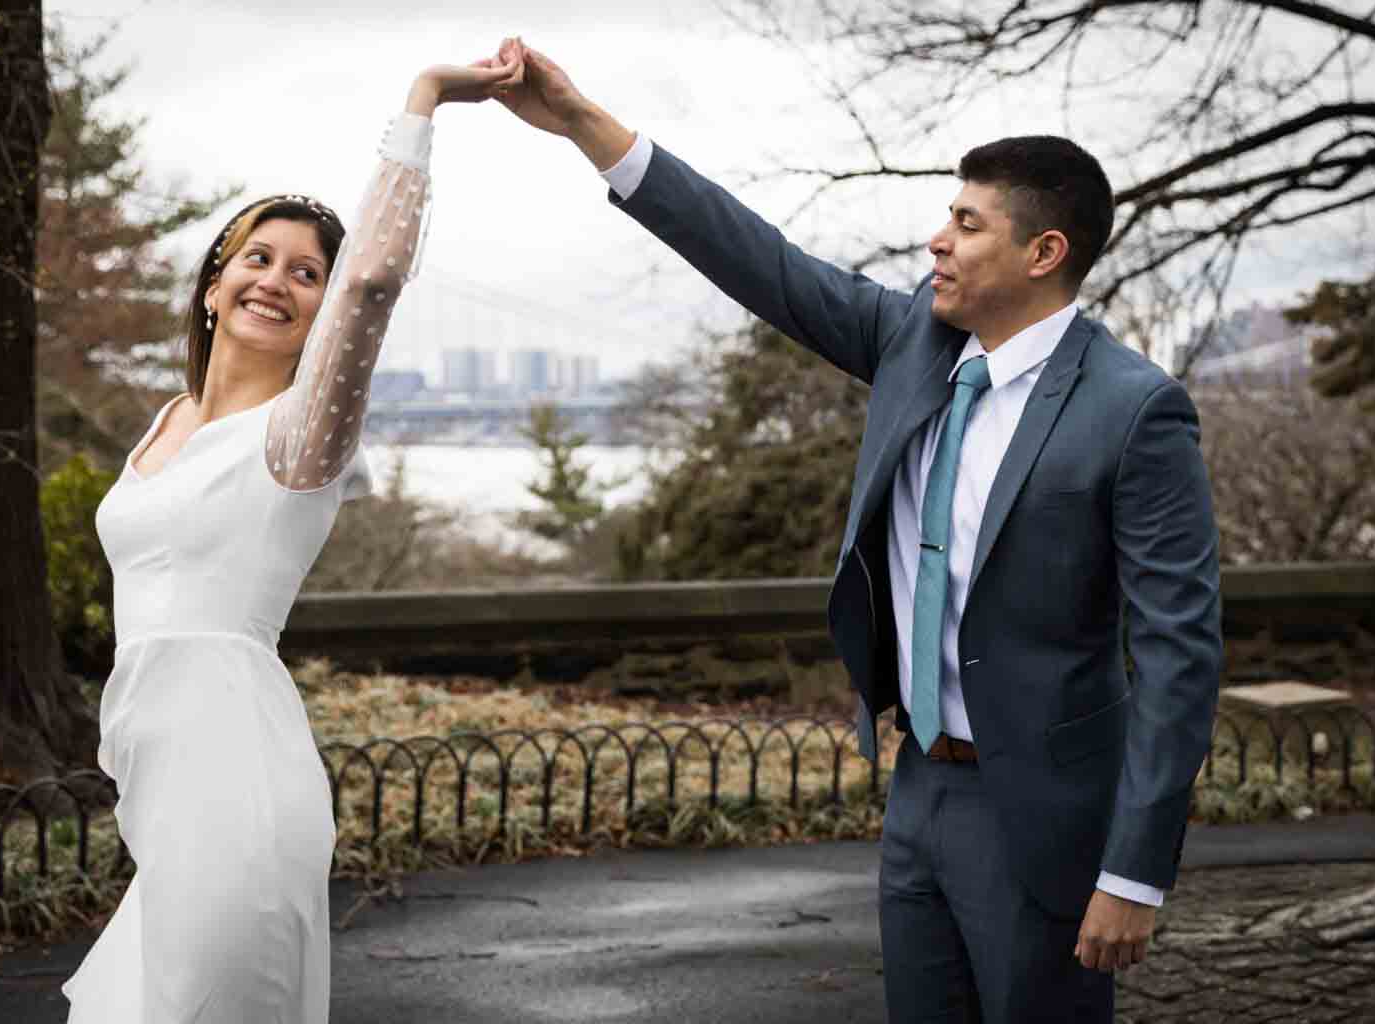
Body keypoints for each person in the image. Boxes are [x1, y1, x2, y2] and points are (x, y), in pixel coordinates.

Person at [482, 38, 1222, 1023]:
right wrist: (584, 123)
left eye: (966, 223)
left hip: (1045, 811)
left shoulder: (1136, 409)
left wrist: (1134, 872)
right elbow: (758, 258)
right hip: (918, 789)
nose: (937, 242)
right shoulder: (910, 338)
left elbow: (1179, 653)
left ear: (1045, 253)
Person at [60, 52, 523, 1024]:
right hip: (162, 792)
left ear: (321, 308)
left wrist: (424, 102)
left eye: (307, 272)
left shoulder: (300, 437)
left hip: (240, 788)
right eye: (258, 258)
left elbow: (376, 284)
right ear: (213, 285)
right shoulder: (168, 419)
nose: (279, 280)